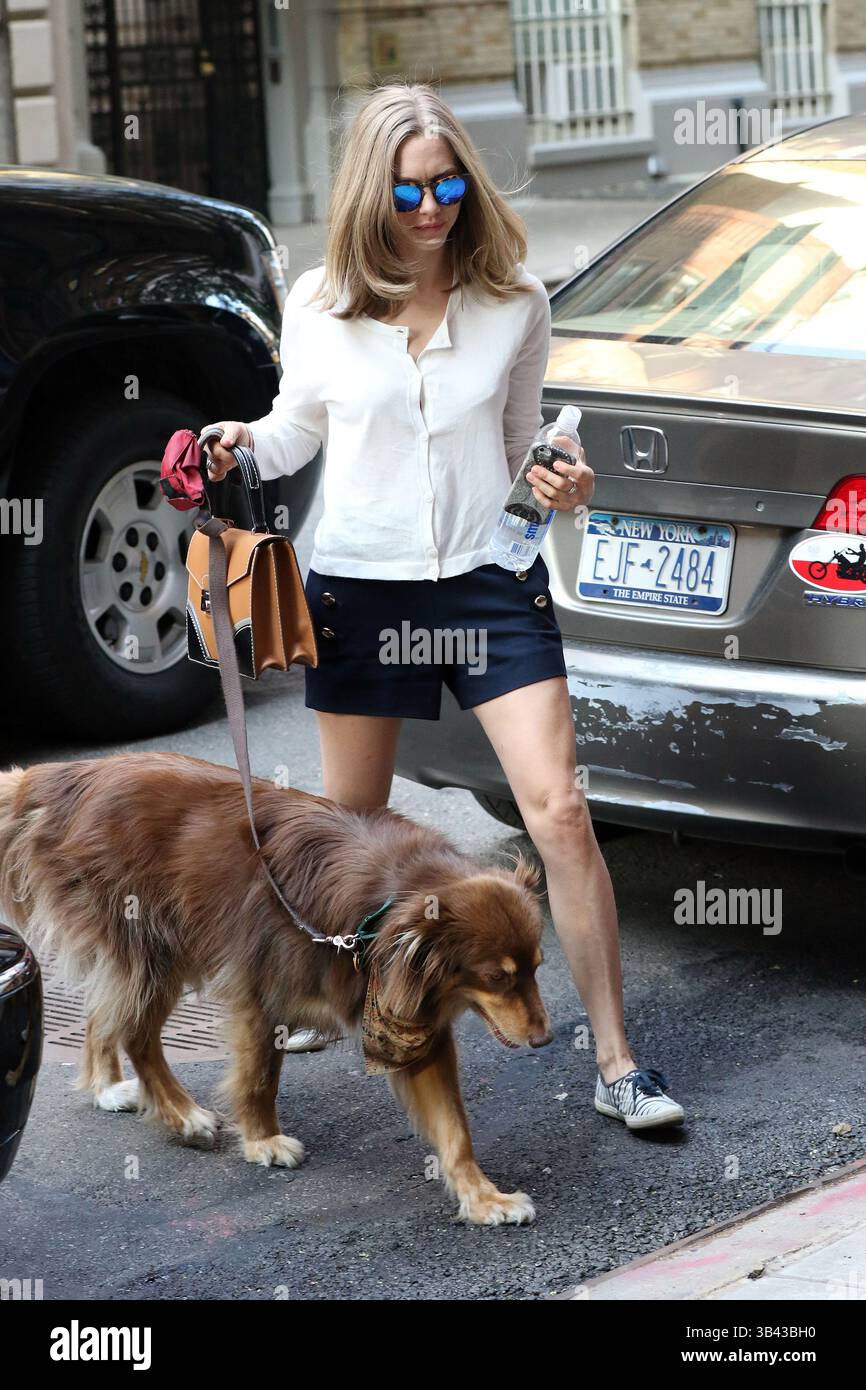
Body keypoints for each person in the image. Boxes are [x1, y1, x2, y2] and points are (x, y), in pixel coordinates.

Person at [201, 81, 684, 1130]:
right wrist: (241, 439)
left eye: (449, 184)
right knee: (356, 835)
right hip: (357, 585)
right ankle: (366, 1015)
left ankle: (615, 1060)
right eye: (409, 191)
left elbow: (524, 451)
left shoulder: (515, 300)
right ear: (371, 195)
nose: (431, 210)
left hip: (487, 577)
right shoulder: (323, 299)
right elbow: (295, 430)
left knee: (557, 809)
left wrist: (568, 483)